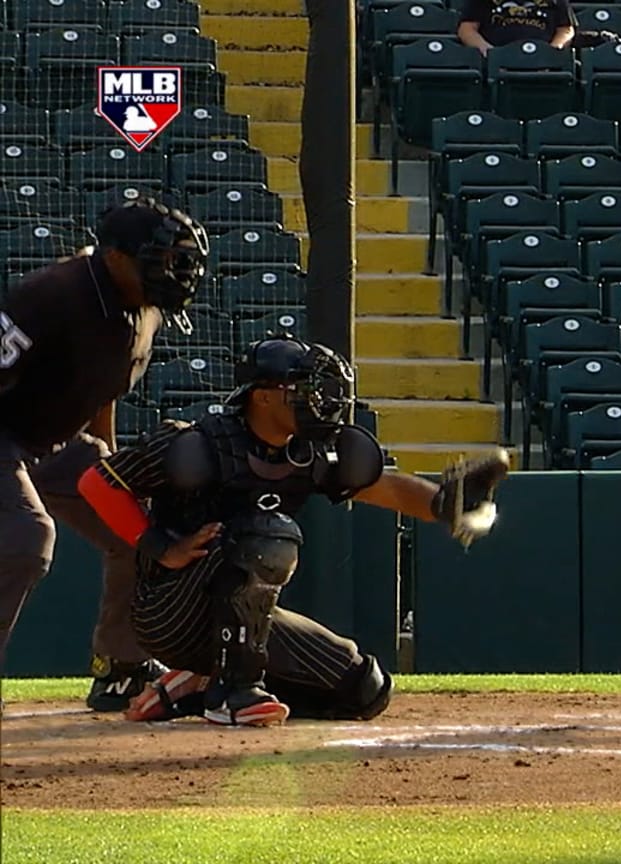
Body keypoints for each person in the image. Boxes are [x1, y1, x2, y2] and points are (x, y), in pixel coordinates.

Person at [76, 335, 510, 726]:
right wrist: (160, 545)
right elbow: (98, 482)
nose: (317, 400)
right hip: (171, 610)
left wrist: (446, 503)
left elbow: (385, 487)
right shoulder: (198, 443)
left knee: (366, 690)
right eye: (301, 389)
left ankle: (193, 689)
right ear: (263, 397)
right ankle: (231, 695)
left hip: (245, 620)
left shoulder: (309, 452)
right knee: (267, 536)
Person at [0, 198, 208, 713]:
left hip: (48, 444)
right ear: (114, 257)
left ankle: (121, 667)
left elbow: (101, 390)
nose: (172, 272)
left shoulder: (145, 309)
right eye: (158, 258)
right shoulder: (52, 296)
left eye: (179, 260)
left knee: (136, 524)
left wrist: (112, 471)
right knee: (28, 538)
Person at [457, 0, 576, 55]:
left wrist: (551, 52)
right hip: (496, 58)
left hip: (543, 61)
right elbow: (467, 29)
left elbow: (566, 30)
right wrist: (488, 52)